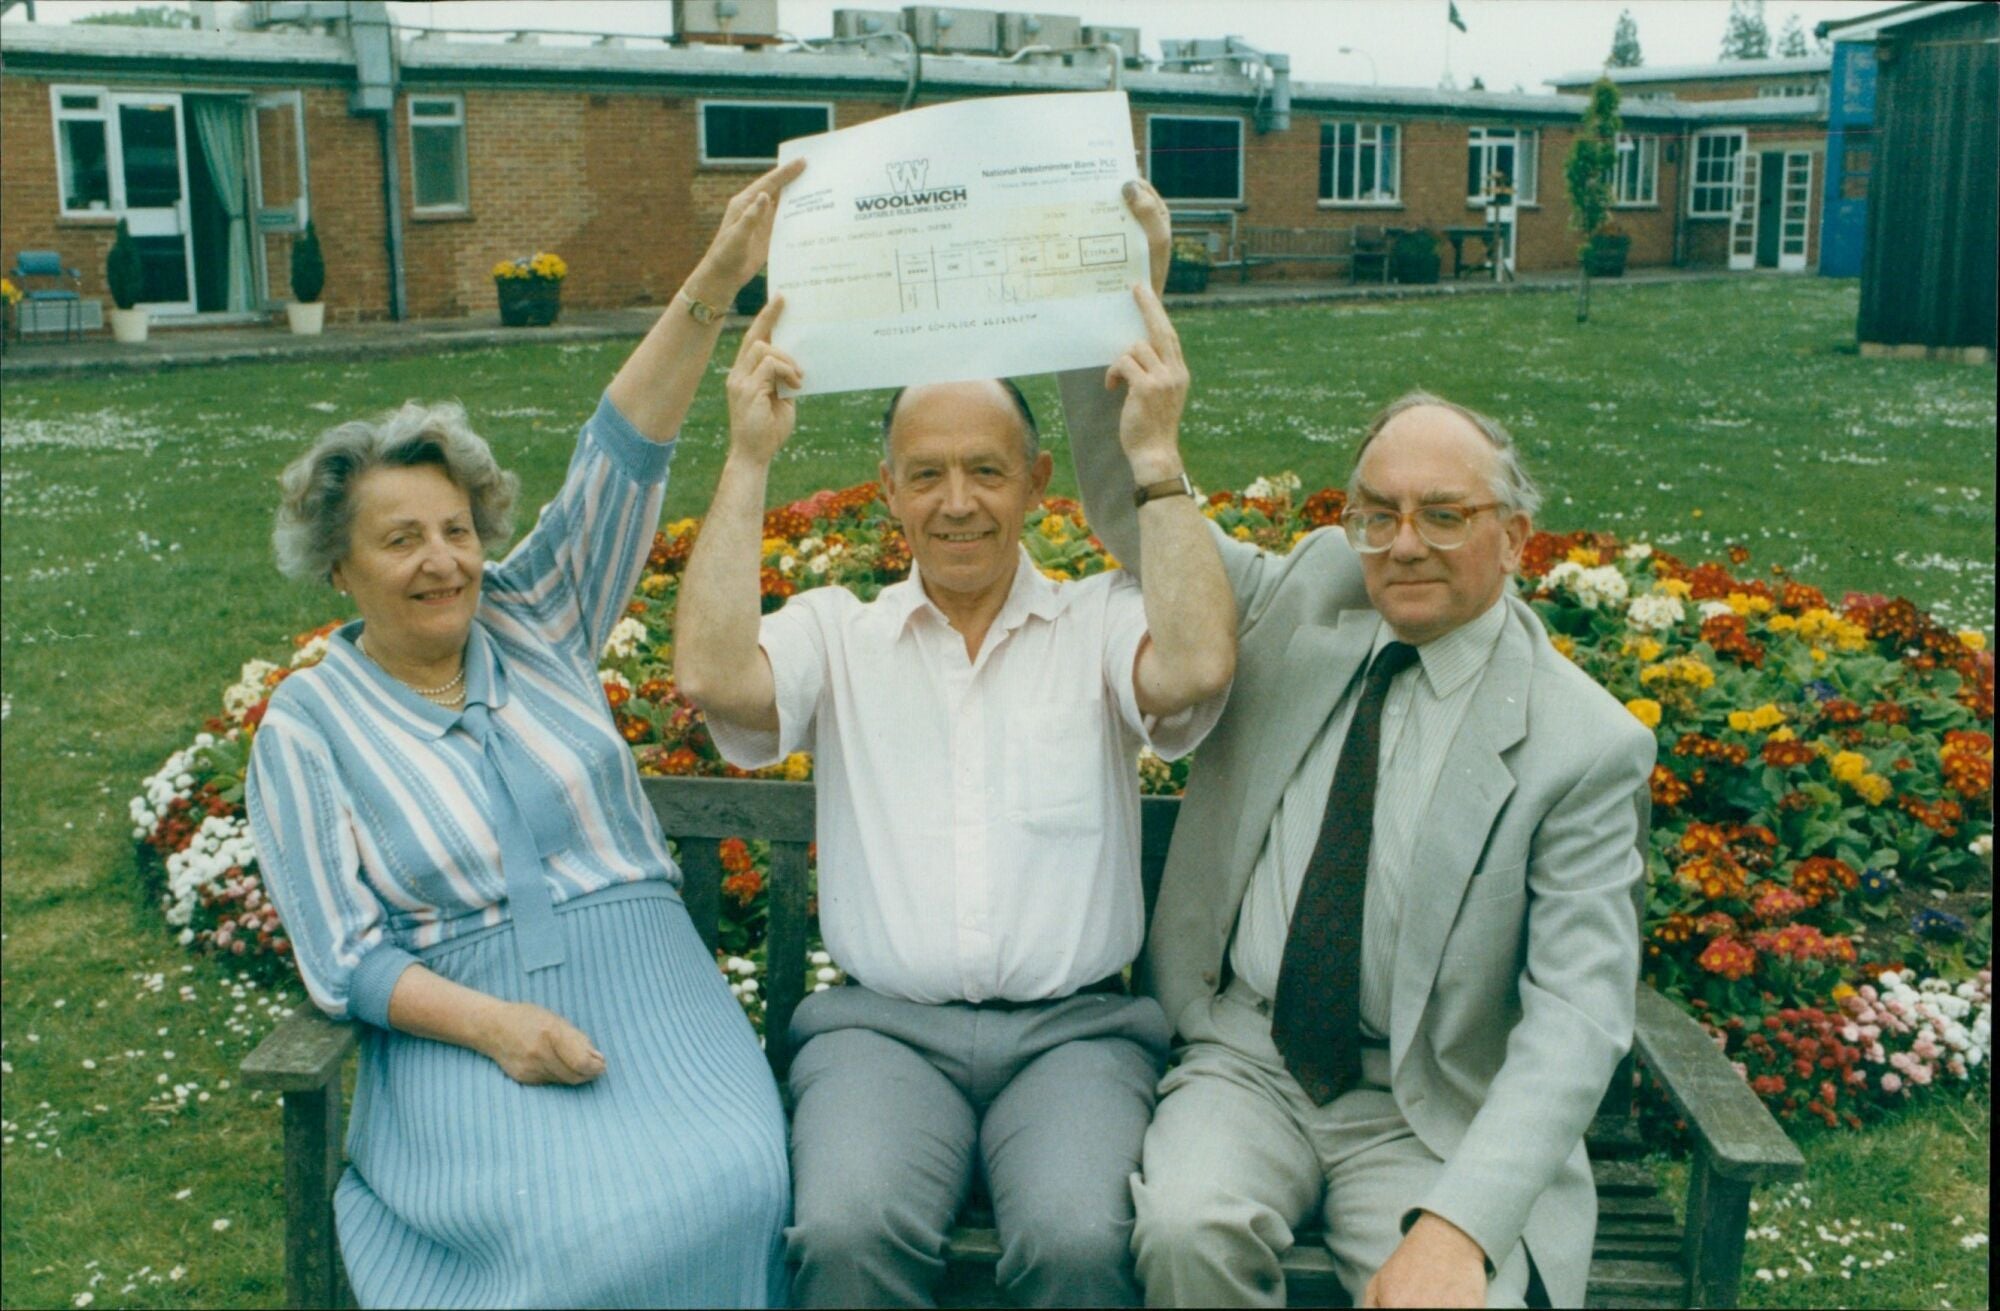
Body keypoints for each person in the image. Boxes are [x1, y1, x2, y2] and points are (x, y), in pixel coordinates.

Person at [1064, 192, 1654, 1308]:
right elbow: (1132, 513)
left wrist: (1455, 1228)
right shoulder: (1309, 597)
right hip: (1245, 1059)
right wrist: (1112, 295)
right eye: (1375, 512)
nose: (1402, 545)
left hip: (1428, 1107)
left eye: (1442, 515)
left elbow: (1577, 1021)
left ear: (1513, 535)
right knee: (1185, 1233)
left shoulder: (1581, 745)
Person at [244, 163, 805, 1309]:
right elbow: (342, 956)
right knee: (568, 1245)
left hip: (650, 987)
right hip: (462, 1026)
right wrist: (494, 1028)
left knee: (736, 1183)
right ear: (339, 566)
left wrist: (715, 279)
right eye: (400, 540)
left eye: (455, 529)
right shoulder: (305, 726)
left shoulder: (535, 613)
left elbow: (622, 454)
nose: (442, 560)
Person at [671, 188, 1237, 1307]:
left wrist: (1156, 454)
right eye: (924, 475)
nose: (957, 502)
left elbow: (1197, 673)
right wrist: (746, 457)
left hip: (1077, 1036)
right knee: (841, 1229)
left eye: (985, 470)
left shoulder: (1098, 620)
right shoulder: (843, 631)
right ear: (887, 494)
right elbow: (712, 678)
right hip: (881, 1034)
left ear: (1036, 483)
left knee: (1079, 1240)